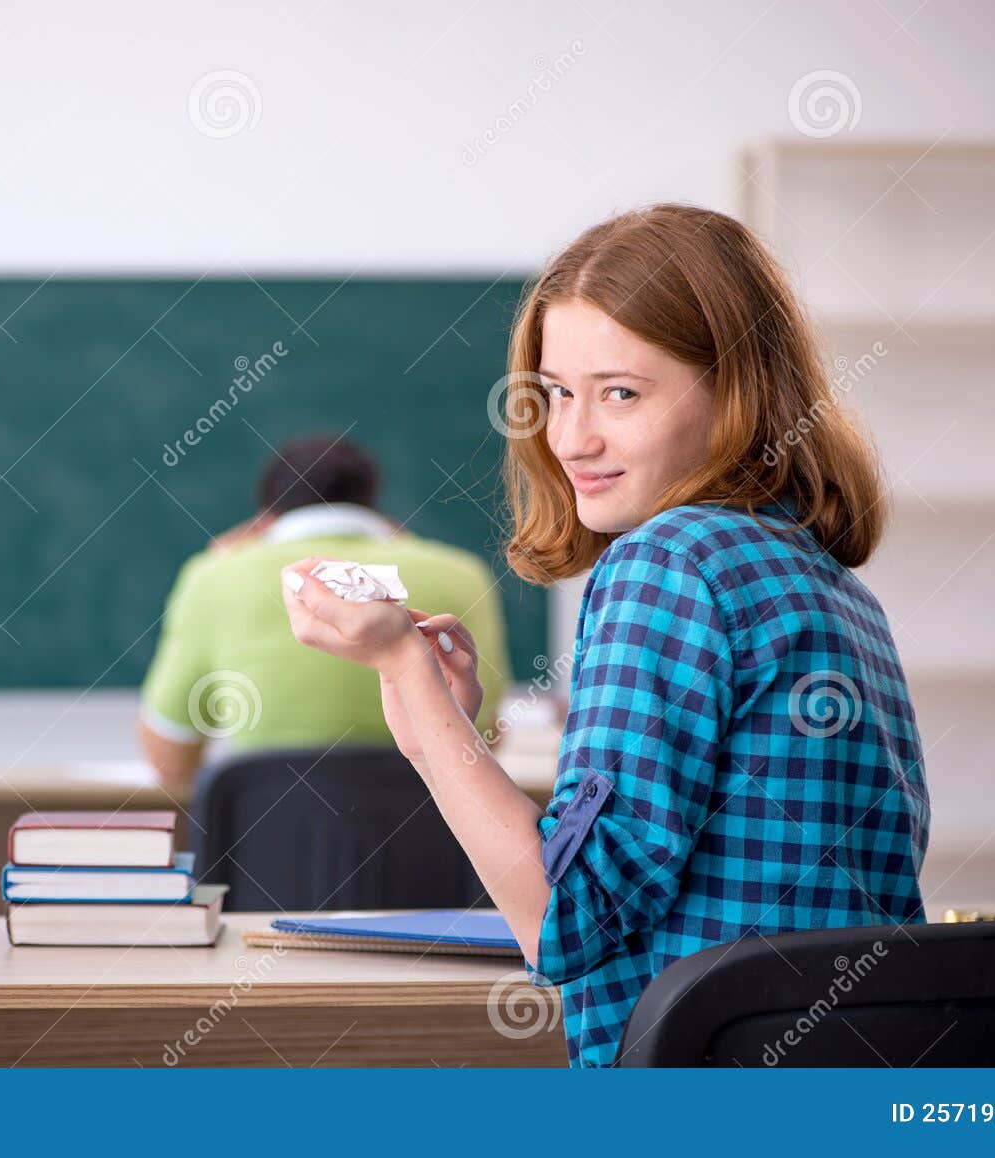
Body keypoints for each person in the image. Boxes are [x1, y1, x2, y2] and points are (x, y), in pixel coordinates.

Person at [282, 204, 930, 1068]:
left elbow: (564, 922)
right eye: (554, 395)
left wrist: (403, 661)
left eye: (621, 393)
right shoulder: (824, 579)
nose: (572, 438)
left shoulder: (669, 561)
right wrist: (430, 716)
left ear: (736, 392)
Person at [138, 434, 510, 792]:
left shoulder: (212, 576)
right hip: (431, 845)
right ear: (372, 499)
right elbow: (484, 736)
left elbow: (171, 759)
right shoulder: (462, 574)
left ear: (266, 515)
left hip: (266, 842)